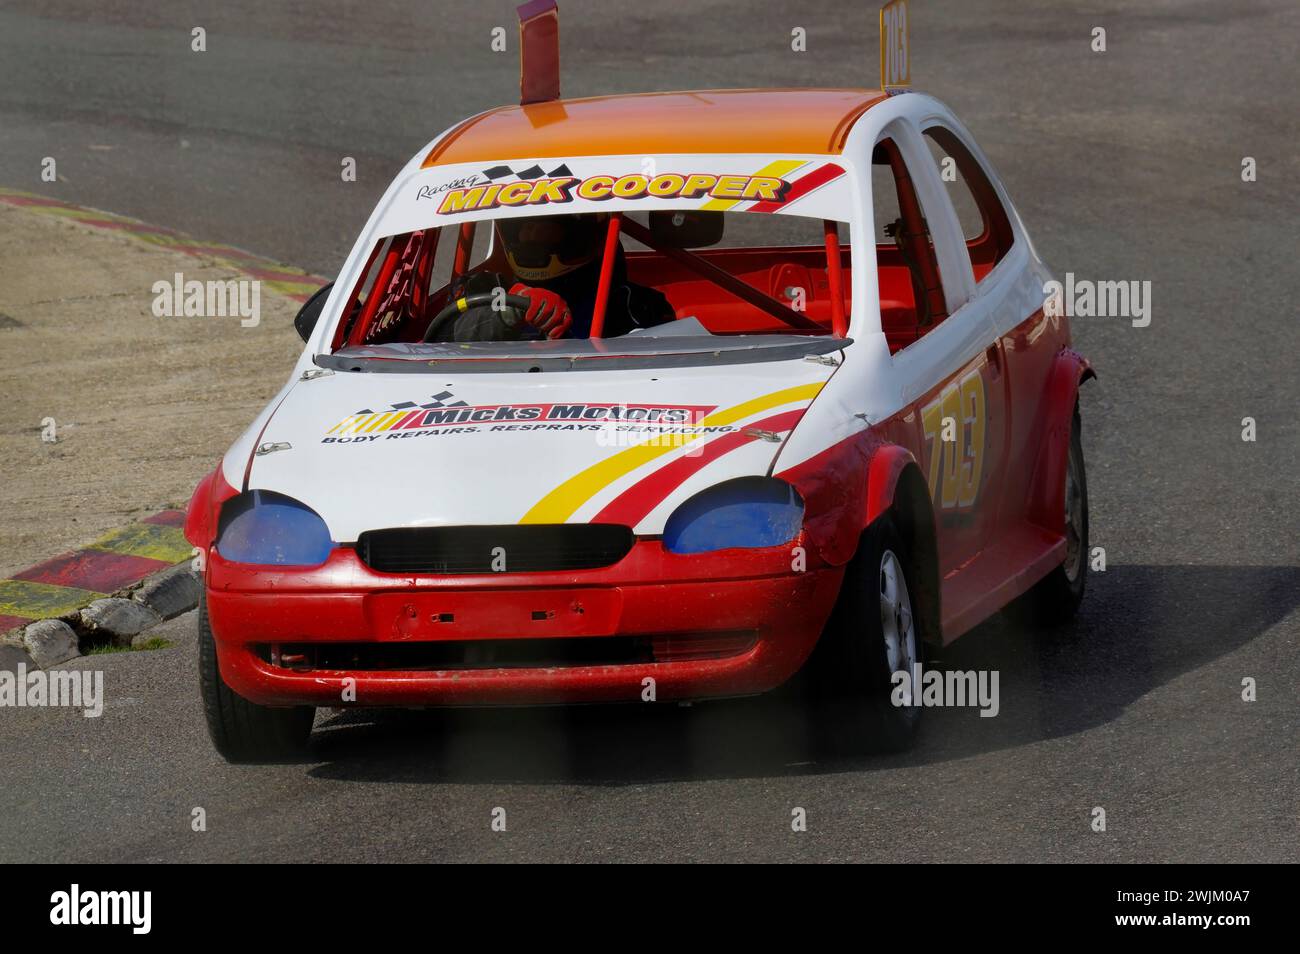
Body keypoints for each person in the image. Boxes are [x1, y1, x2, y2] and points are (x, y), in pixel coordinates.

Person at [433, 212, 675, 342]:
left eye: (541, 226)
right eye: (522, 226)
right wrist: (508, 310)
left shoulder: (639, 305)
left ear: (577, 233)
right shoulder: (485, 290)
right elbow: (440, 339)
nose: (528, 234)